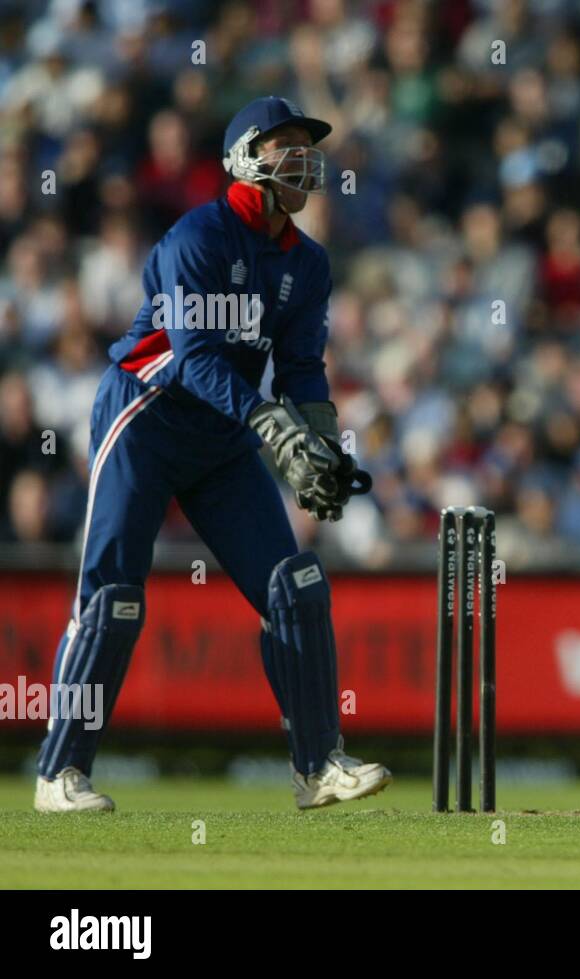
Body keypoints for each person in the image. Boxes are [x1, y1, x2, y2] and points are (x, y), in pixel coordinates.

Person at [34, 97, 390, 812]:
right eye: (283, 144)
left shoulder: (309, 263)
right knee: (113, 597)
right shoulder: (196, 236)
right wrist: (269, 423)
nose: (301, 158)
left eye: (306, 146)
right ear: (243, 159)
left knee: (295, 585)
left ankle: (318, 765)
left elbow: (300, 366)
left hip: (223, 438)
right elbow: (194, 359)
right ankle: (60, 773)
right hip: (146, 416)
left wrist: (317, 436)